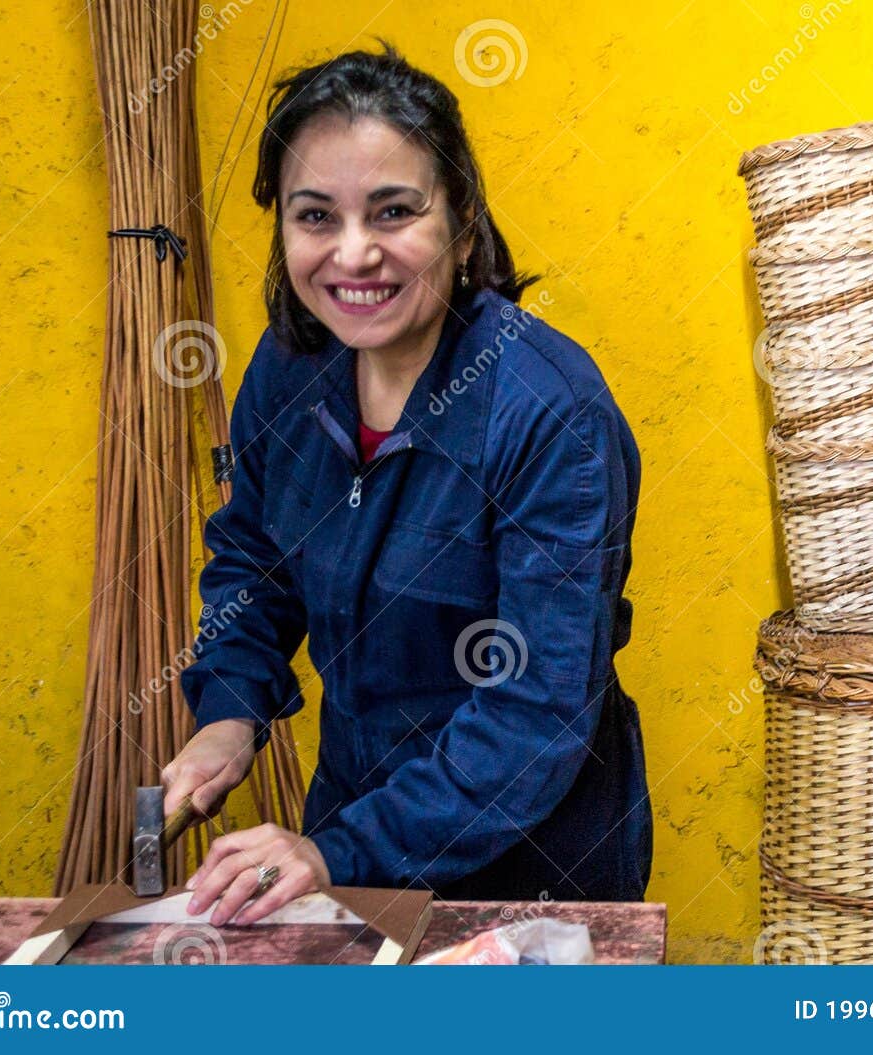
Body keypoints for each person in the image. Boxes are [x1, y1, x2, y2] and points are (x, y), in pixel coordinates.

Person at [161, 46, 651, 926]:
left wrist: (333, 852)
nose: (355, 253)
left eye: (395, 211)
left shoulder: (548, 412)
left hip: (532, 862)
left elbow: (536, 711)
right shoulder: (290, 368)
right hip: (349, 828)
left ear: (462, 224)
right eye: (317, 216)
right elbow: (255, 555)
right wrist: (230, 707)